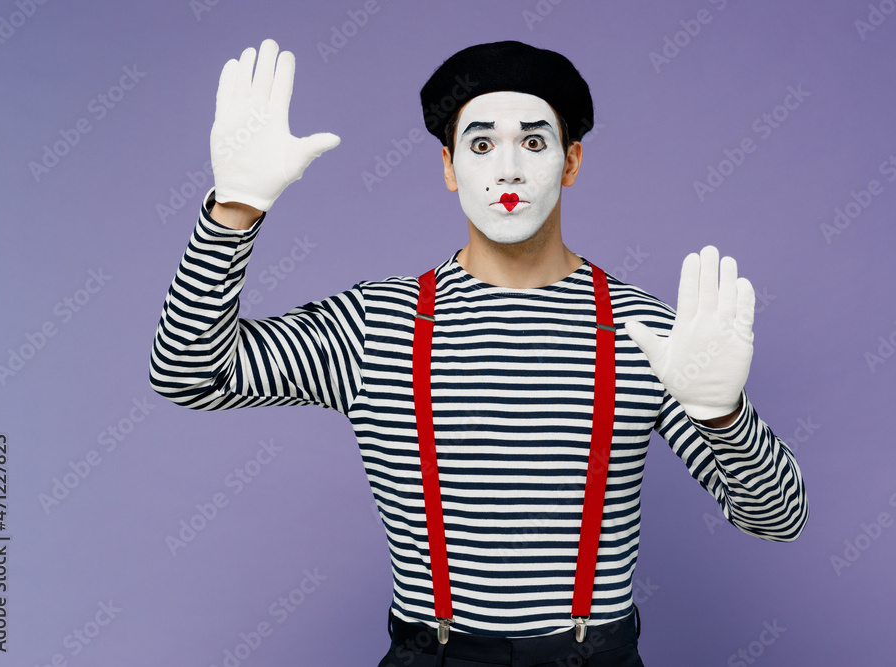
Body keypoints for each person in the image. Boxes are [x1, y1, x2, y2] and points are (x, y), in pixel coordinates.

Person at [149, 38, 808, 667]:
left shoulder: (643, 329)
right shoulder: (377, 322)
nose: (509, 167)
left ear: (571, 162)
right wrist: (233, 210)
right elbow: (188, 372)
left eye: (534, 140)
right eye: (482, 142)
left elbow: (779, 519)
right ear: (448, 166)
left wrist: (725, 415)